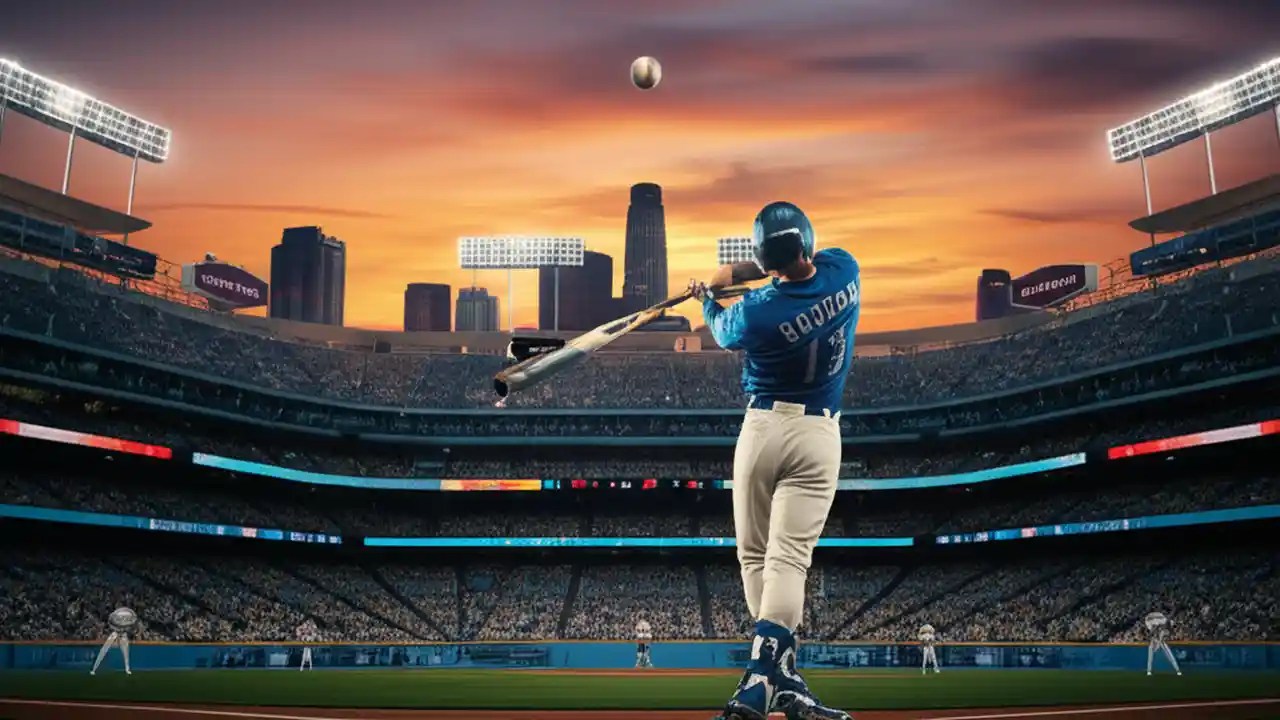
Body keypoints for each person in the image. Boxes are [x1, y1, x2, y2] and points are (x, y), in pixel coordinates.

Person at [693, 201, 859, 720]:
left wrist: (705, 296)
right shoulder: (846, 269)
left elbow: (721, 329)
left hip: (764, 429)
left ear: (765, 259)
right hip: (821, 434)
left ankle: (762, 676)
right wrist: (745, 276)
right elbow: (788, 265)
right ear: (808, 241)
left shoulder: (757, 312)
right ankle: (783, 677)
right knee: (790, 559)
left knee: (754, 557)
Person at [90, 607, 136, 676]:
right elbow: (111, 626)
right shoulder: (113, 620)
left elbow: (130, 626)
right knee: (103, 650)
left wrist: (124, 630)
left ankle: (127, 669)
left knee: (126, 653)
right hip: (115, 633)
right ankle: (94, 669)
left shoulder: (127, 621)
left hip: (123, 634)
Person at [1144, 611, 1182, 676]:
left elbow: (1162, 635)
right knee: (1150, 655)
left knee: (1170, 656)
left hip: (1160, 640)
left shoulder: (1164, 627)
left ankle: (1177, 670)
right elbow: (1152, 633)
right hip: (1154, 639)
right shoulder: (1158, 621)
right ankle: (1149, 671)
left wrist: (1158, 642)